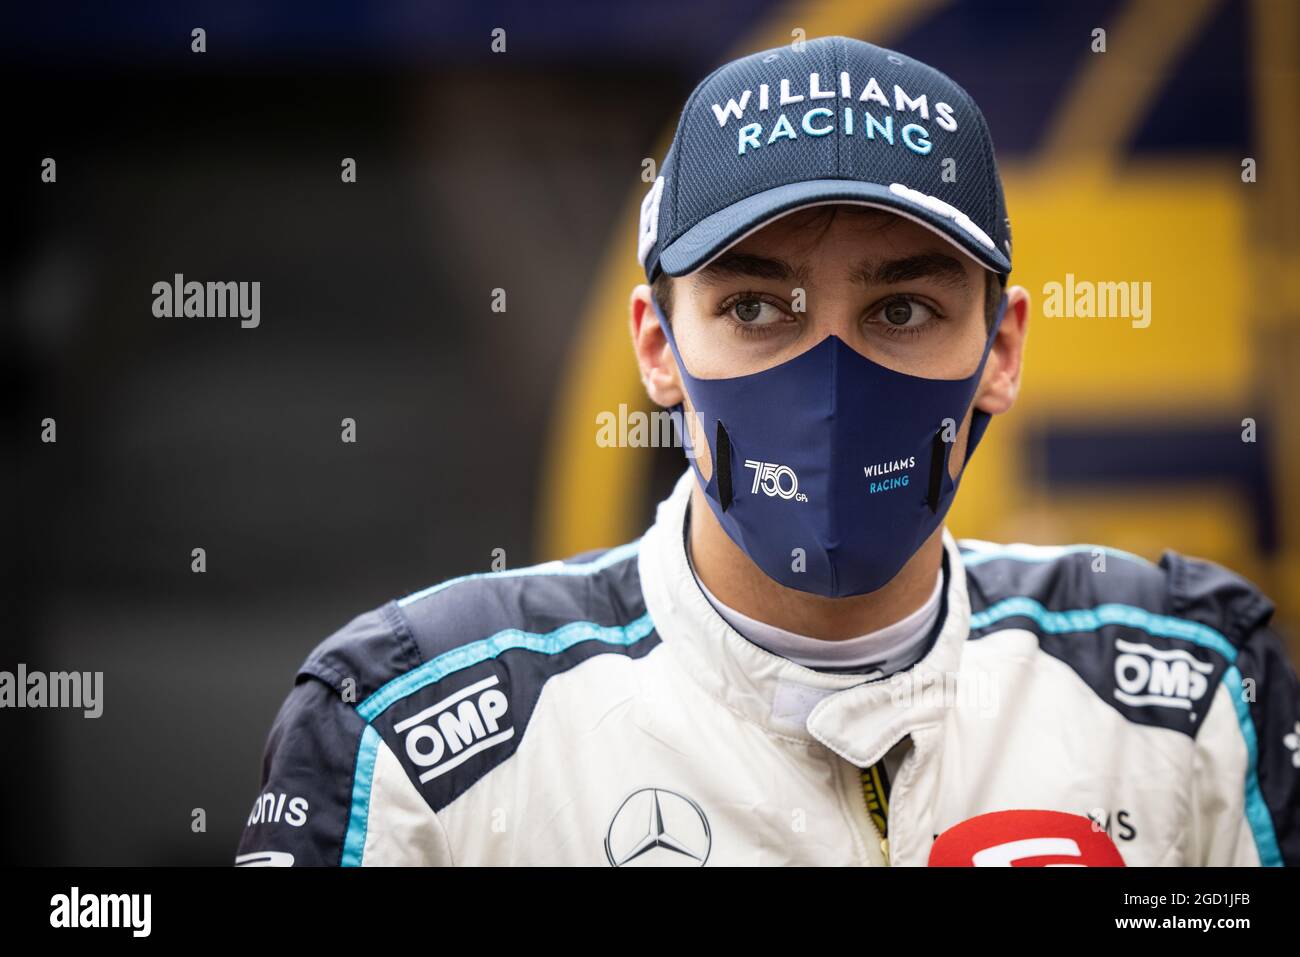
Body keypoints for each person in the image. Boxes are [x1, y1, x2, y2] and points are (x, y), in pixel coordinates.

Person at [236, 36, 1298, 867]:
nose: (830, 380)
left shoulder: (1195, 692)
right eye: (754, 306)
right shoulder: (409, 731)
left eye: (900, 309)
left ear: (1001, 351)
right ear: (657, 348)